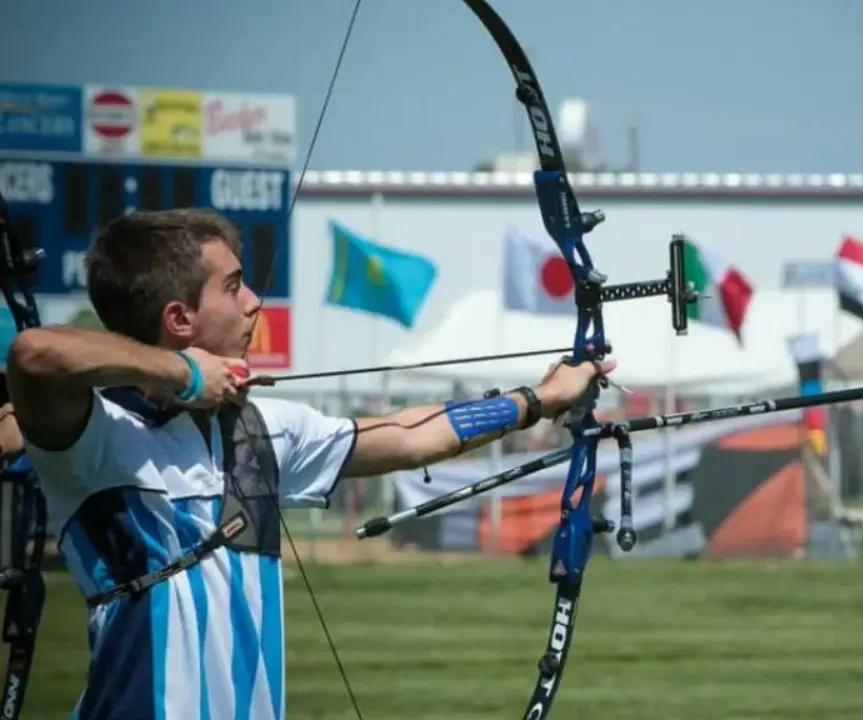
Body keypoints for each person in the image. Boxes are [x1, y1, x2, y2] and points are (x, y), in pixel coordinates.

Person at [4, 208, 613, 720]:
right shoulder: (96, 440)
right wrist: (185, 372)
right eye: (233, 286)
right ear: (179, 319)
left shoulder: (260, 431)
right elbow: (36, 354)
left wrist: (537, 401)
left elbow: (409, 437)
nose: (251, 303)